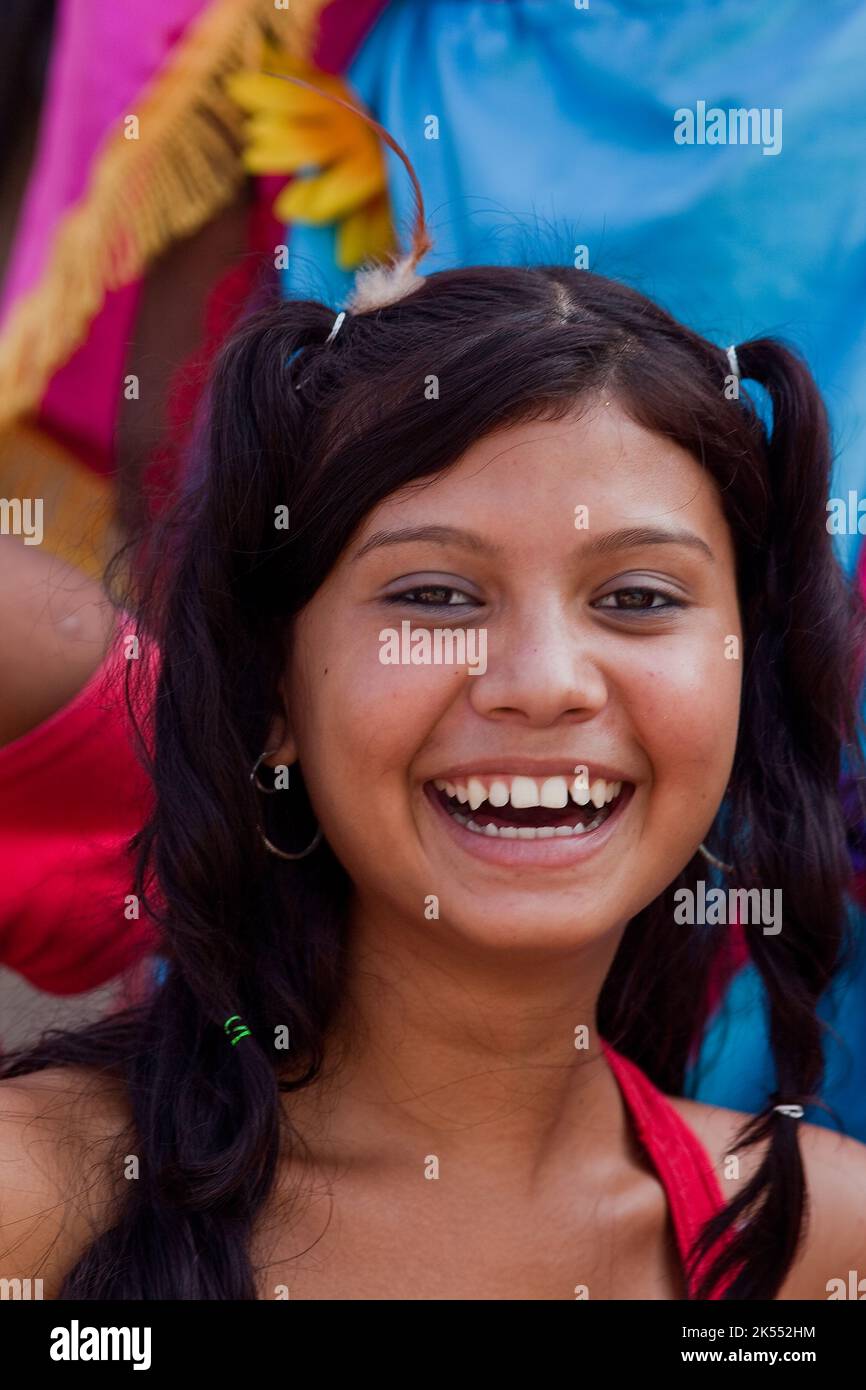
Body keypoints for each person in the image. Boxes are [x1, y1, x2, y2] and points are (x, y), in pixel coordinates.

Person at [2, 202, 865, 1297]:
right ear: (270, 689)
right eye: (435, 596)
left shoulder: (815, 1242)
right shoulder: (32, 1200)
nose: (544, 680)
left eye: (638, 597)